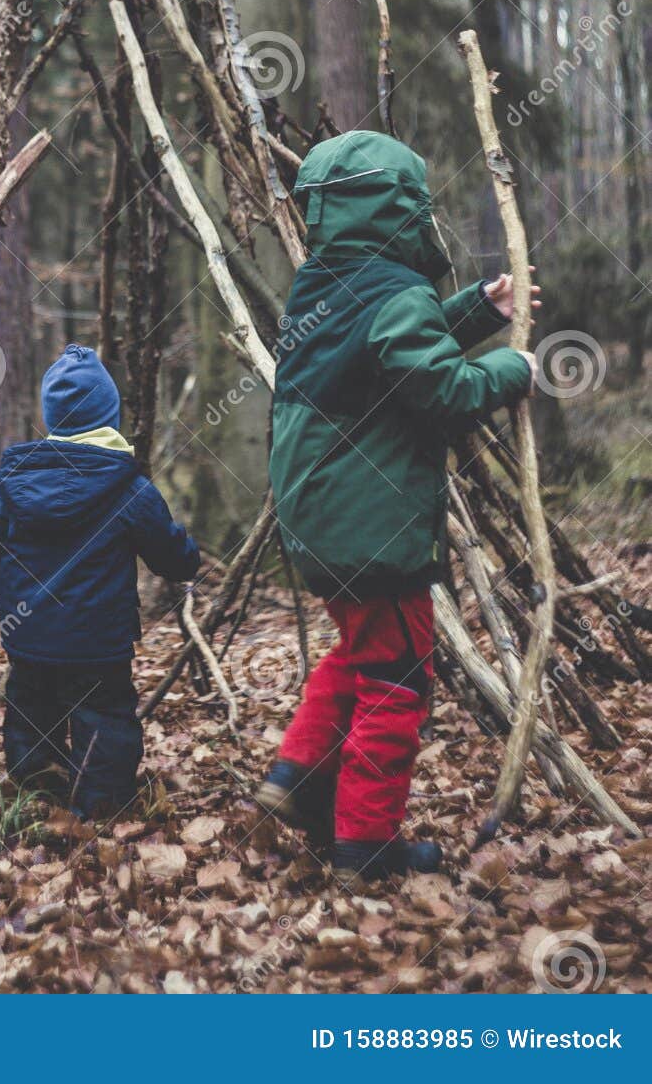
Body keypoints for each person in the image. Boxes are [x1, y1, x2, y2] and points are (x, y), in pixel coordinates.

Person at [257, 131, 539, 888]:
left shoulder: (321, 288)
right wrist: (513, 366)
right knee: (397, 681)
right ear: (400, 209)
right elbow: (441, 389)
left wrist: (478, 309)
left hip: (319, 521)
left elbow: (393, 347)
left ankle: (296, 774)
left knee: (360, 651)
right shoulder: (393, 294)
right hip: (370, 530)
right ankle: (364, 847)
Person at [0, 344, 200, 817]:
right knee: (104, 717)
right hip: (98, 640)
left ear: (53, 416)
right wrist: (188, 561)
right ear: (109, 415)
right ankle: (101, 806)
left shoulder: (17, 485)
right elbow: (167, 549)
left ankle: (36, 794)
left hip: (28, 632)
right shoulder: (128, 487)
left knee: (32, 710)